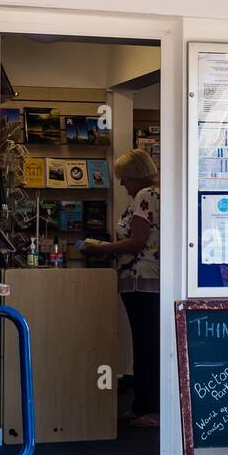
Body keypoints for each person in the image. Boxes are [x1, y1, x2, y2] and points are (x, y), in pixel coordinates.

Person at [87, 148, 160, 428]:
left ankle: (150, 409)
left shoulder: (145, 196)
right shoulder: (157, 194)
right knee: (145, 344)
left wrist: (101, 249)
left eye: (123, 178)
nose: (121, 184)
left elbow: (136, 242)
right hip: (146, 279)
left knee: (146, 345)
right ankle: (143, 406)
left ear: (134, 175)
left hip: (142, 280)